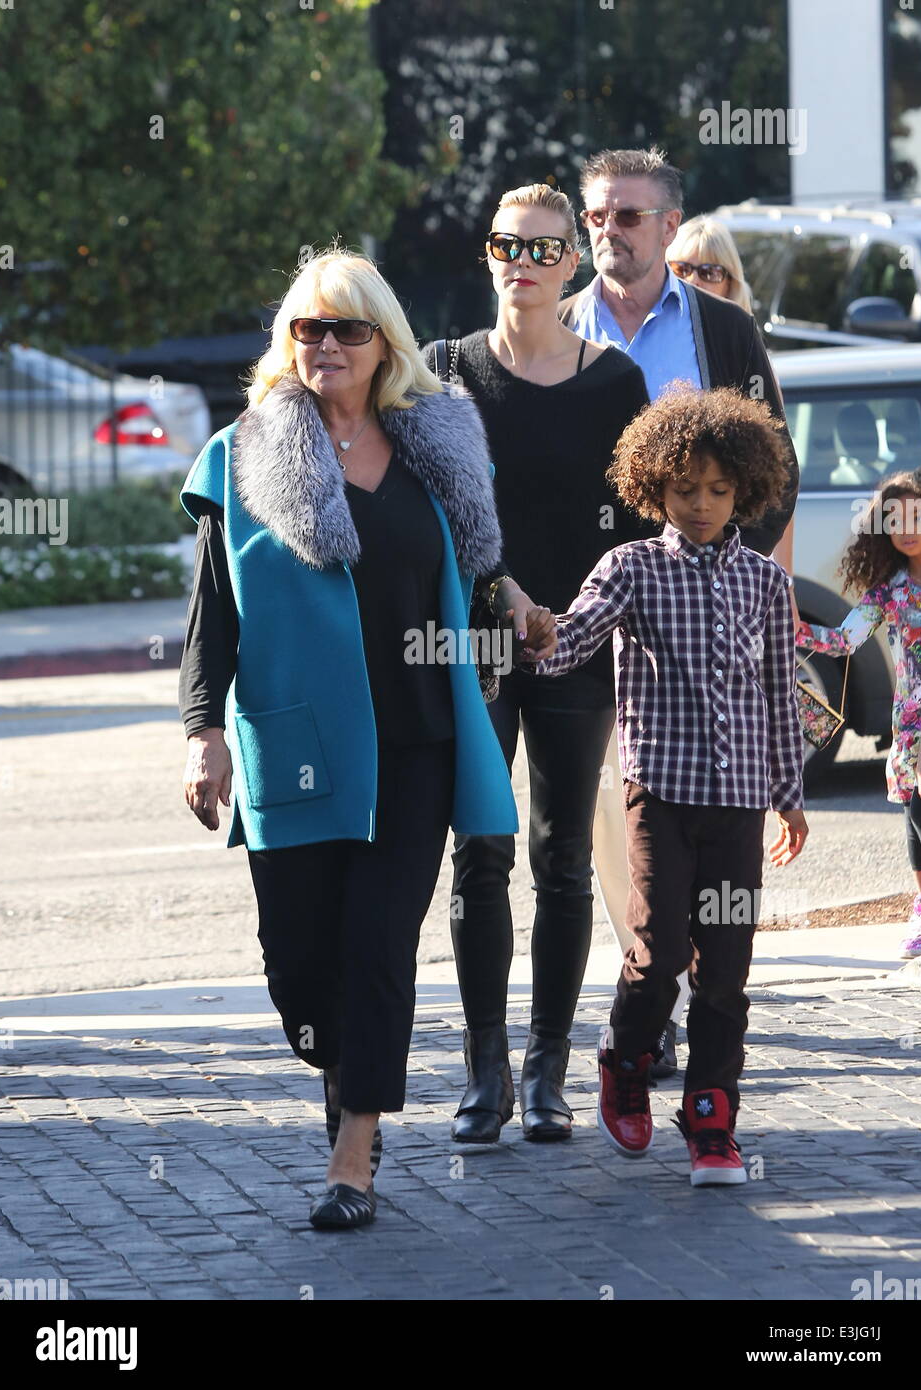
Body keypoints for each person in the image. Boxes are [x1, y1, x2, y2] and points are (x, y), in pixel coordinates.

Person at [178, 248, 554, 1230]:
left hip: (417, 743)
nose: (328, 344)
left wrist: (512, 599)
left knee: (380, 945)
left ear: (384, 341)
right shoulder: (242, 454)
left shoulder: (438, 449)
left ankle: (353, 1157)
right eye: (308, 327)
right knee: (302, 965)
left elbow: (474, 565)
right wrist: (202, 730)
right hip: (296, 747)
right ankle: (343, 1073)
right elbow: (212, 613)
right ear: (287, 341)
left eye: (348, 327)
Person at [525, 384, 808, 1185]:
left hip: (740, 799)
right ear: (655, 486)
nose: (702, 505)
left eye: (719, 491)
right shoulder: (631, 567)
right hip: (660, 793)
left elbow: (777, 694)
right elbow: (572, 638)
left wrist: (788, 794)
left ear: (744, 491)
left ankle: (712, 1118)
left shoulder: (762, 583)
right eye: (685, 489)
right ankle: (624, 1055)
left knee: (726, 966)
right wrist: (531, 631)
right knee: (657, 953)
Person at [559, 146, 801, 1079]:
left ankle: (686, 1028)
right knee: (595, 828)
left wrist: (753, 582)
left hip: (702, 619)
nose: (608, 231)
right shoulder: (557, 322)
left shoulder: (721, 329)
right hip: (593, 609)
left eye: (627, 215)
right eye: (596, 216)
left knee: (689, 832)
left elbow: (770, 462)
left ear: (668, 225)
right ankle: (627, 1014)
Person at [421, 182, 654, 1144]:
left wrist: (586, 619)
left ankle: (547, 1070)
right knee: (479, 855)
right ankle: (484, 1074)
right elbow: (432, 513)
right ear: (488, 257)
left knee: (561, 863)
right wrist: (500, 598)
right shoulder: (443, 372)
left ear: (571, 263)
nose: (522, 265)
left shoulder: (615, 384)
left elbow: (639, 526)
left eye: (543, 250)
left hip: (577, 648)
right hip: (473, 644)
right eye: (506, 247)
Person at [795, 469, 921, 959]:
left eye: (918, 514)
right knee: (912, 820)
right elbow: (844, 639)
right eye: (895, 520)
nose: (908, 527)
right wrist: (792, 631)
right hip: (910, 720)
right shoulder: (890, 590)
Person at [666, 215, 754, 313]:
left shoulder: (743, 327)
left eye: (709, 273)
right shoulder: (649, 325)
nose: (693, 281)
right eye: (680, 269)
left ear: (729, 285)